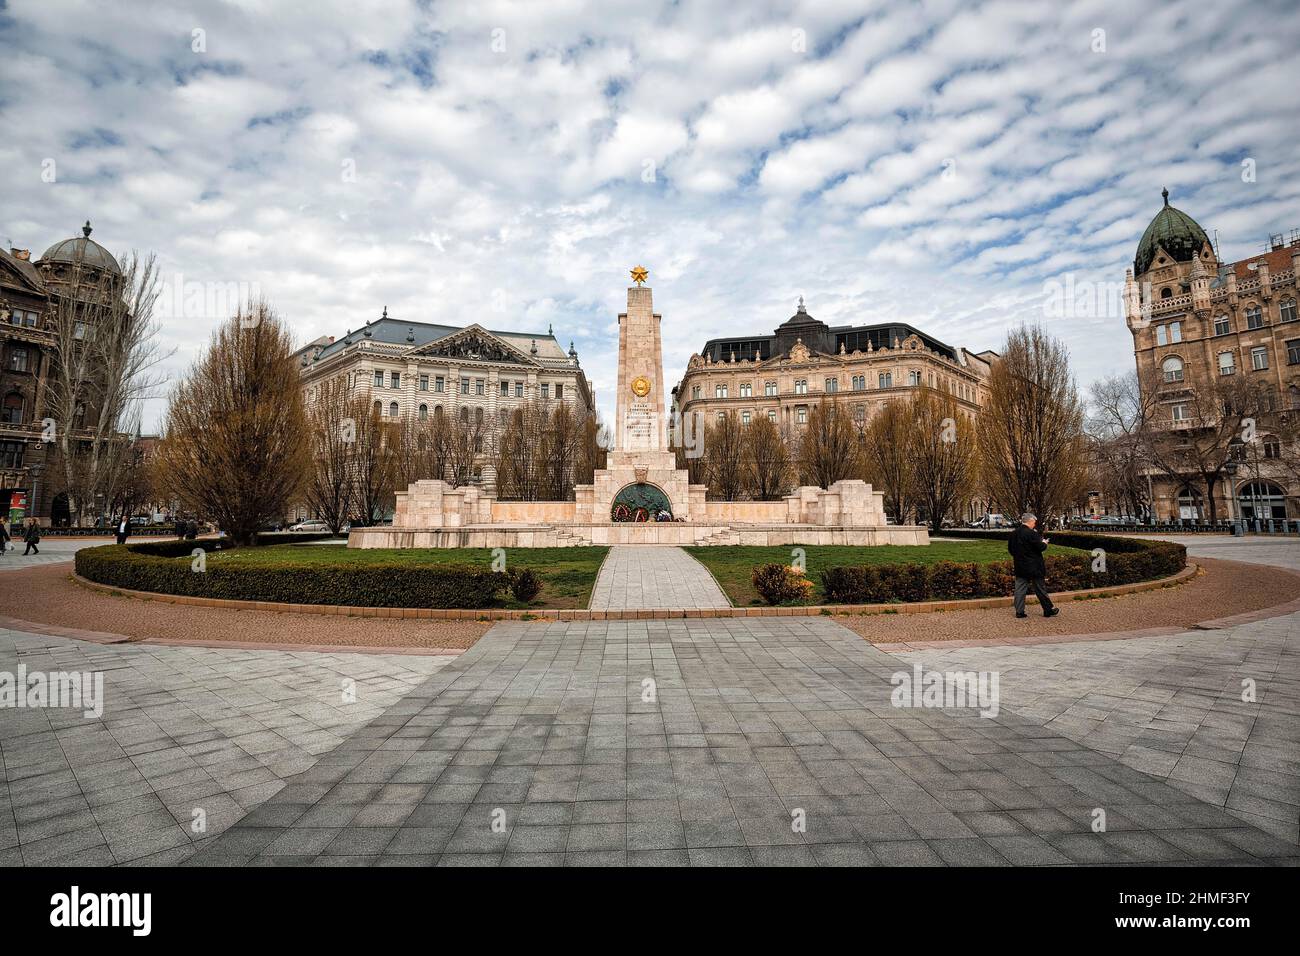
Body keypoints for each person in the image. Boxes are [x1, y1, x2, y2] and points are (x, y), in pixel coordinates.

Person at [1008, 512, 1058, 619]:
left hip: (1020, 565)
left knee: (1020, 589)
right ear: (1030, 521)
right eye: (1034, 522)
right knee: (1040, 588)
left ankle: (1019, 611)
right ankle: (1048, 610)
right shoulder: (1032, 533)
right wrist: (1044, 542)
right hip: (1034, 566)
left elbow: (1011, 550)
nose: (1034, 524)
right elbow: (1041, 547)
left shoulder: (1013, 534)